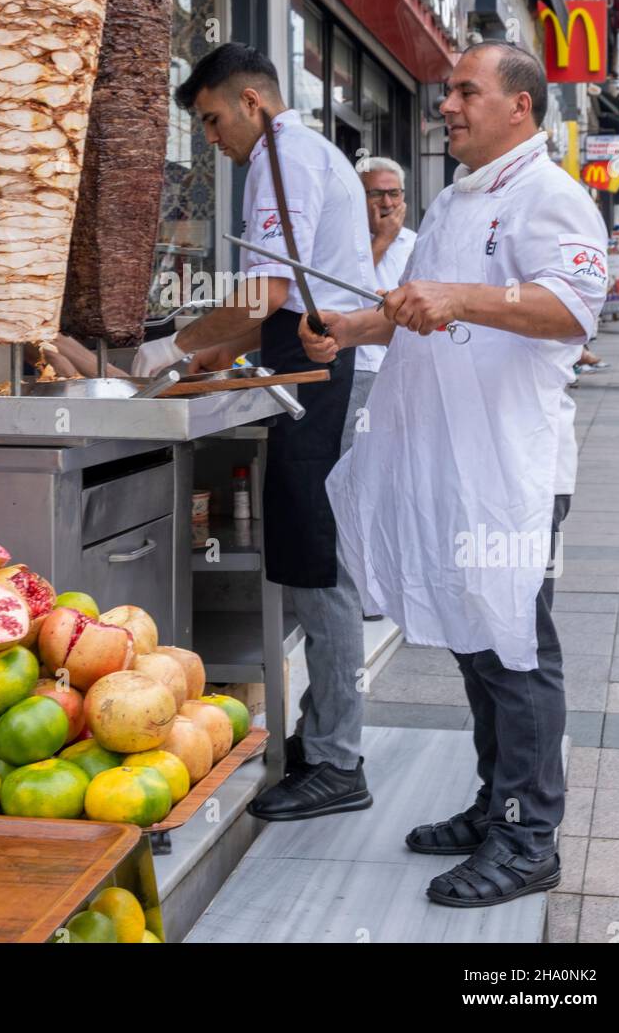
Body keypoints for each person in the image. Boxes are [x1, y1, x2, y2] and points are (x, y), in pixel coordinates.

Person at [300, 41, 608, 907]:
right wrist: (359, 327)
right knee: (477, 645)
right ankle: (494, 802)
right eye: (445, 93)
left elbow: (573, 309)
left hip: (512, 467)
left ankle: (528, 837)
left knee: (514, 648)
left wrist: (459, 299)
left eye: (466, 91)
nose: (447, 105)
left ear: (521, 106)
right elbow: (426, 311)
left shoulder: (553, 196)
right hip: (453, 466)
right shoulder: (455, 203)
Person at [132, 42, 377, 820]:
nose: (210, 138)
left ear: (252, 103)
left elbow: (262, 295)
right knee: (309, 568)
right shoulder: (300, 155)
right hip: (314, 372)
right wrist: (191, 356)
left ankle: (339, 762)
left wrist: (169, 349)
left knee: (318, 570)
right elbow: (265, 310)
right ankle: (320, 735)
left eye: (210, 119)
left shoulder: (281, 158)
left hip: (323, 379)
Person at [344, 157, 417, 621]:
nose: (387, 203)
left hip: (407, 376)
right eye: (375, 194)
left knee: (402, 486)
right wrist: (381, 242)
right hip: (359, 376)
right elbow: (344, 299)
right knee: (360, 484)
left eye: (393, 194)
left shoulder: (420, 244)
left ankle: (402, 588)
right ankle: (364, 595)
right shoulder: (347, 245)